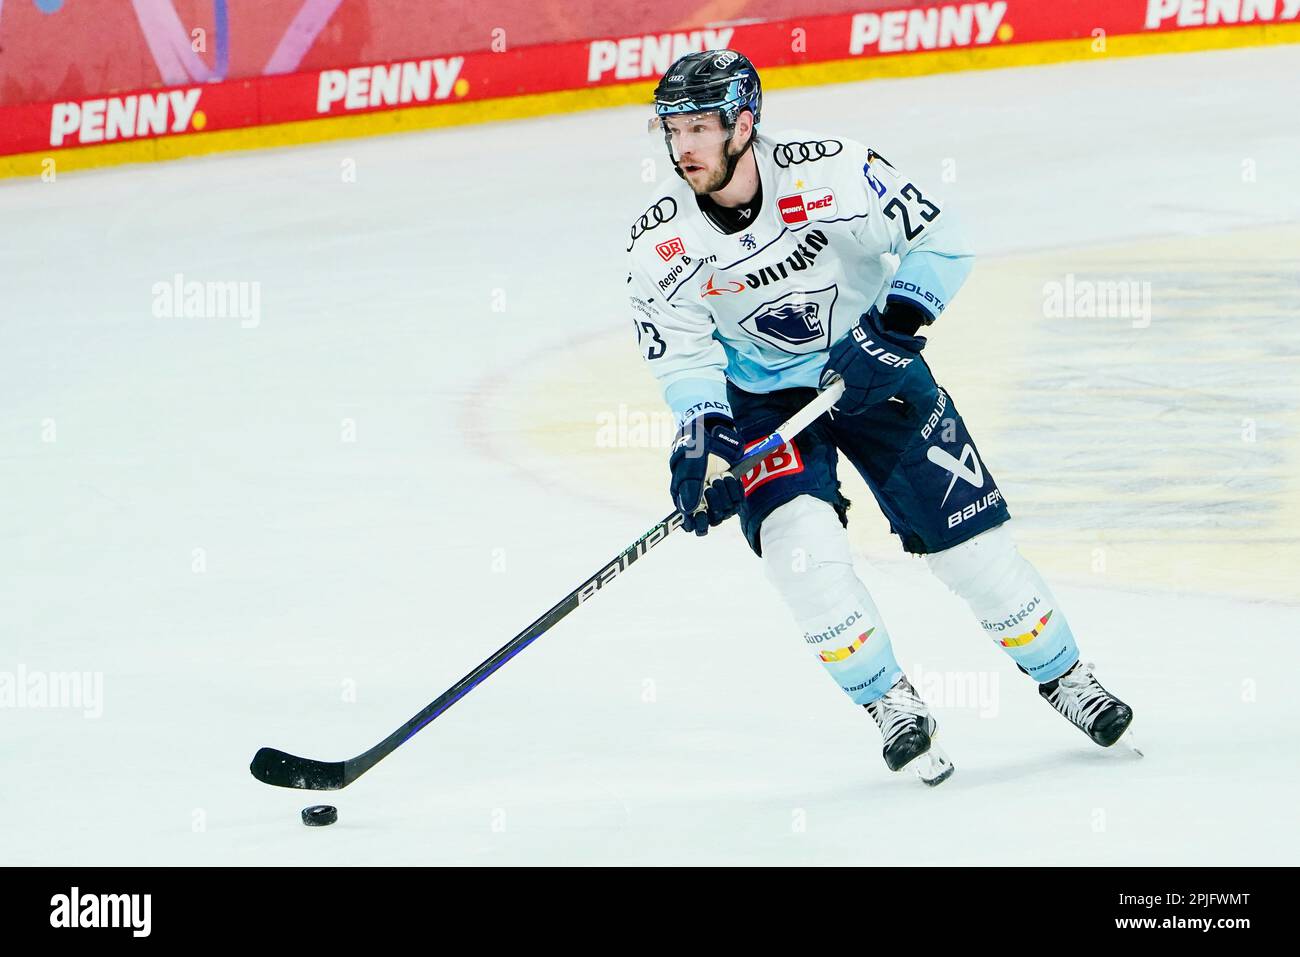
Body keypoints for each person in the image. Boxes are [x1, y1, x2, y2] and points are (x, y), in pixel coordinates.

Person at [625, 49, 1135, 784]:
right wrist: (703, 441)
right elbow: (680, 355)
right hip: (766, 403)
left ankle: (1066, 677)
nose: (684, 148)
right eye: (672, 131)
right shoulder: (658, 242)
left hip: (878, 368)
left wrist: (891, 328)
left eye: (700, 128)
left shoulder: (831, 171)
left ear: (744, 122)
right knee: (803, 555)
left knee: (974, 553)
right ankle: (889, 701)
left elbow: (944, 238)